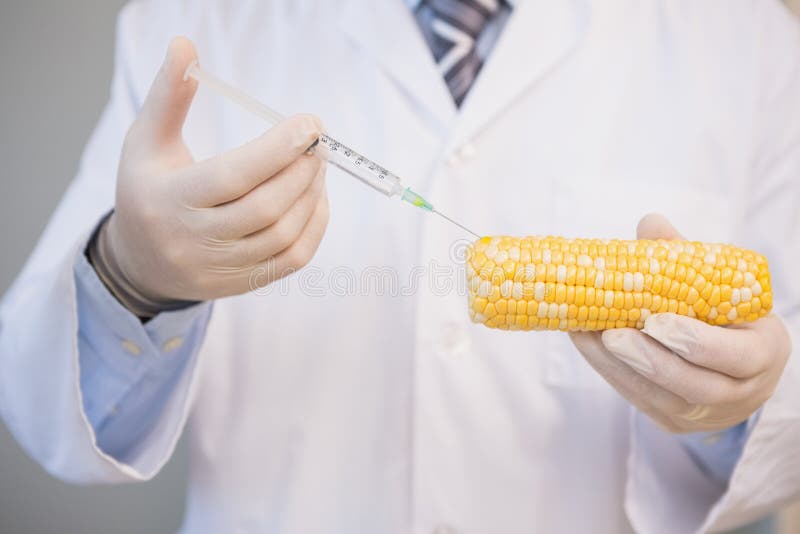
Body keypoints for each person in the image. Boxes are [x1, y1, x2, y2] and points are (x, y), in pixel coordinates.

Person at [1, 1, 798, 532]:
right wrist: (133, 277)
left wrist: (746, 404)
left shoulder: (748, 37)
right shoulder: (199, 21)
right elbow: (43, 407)